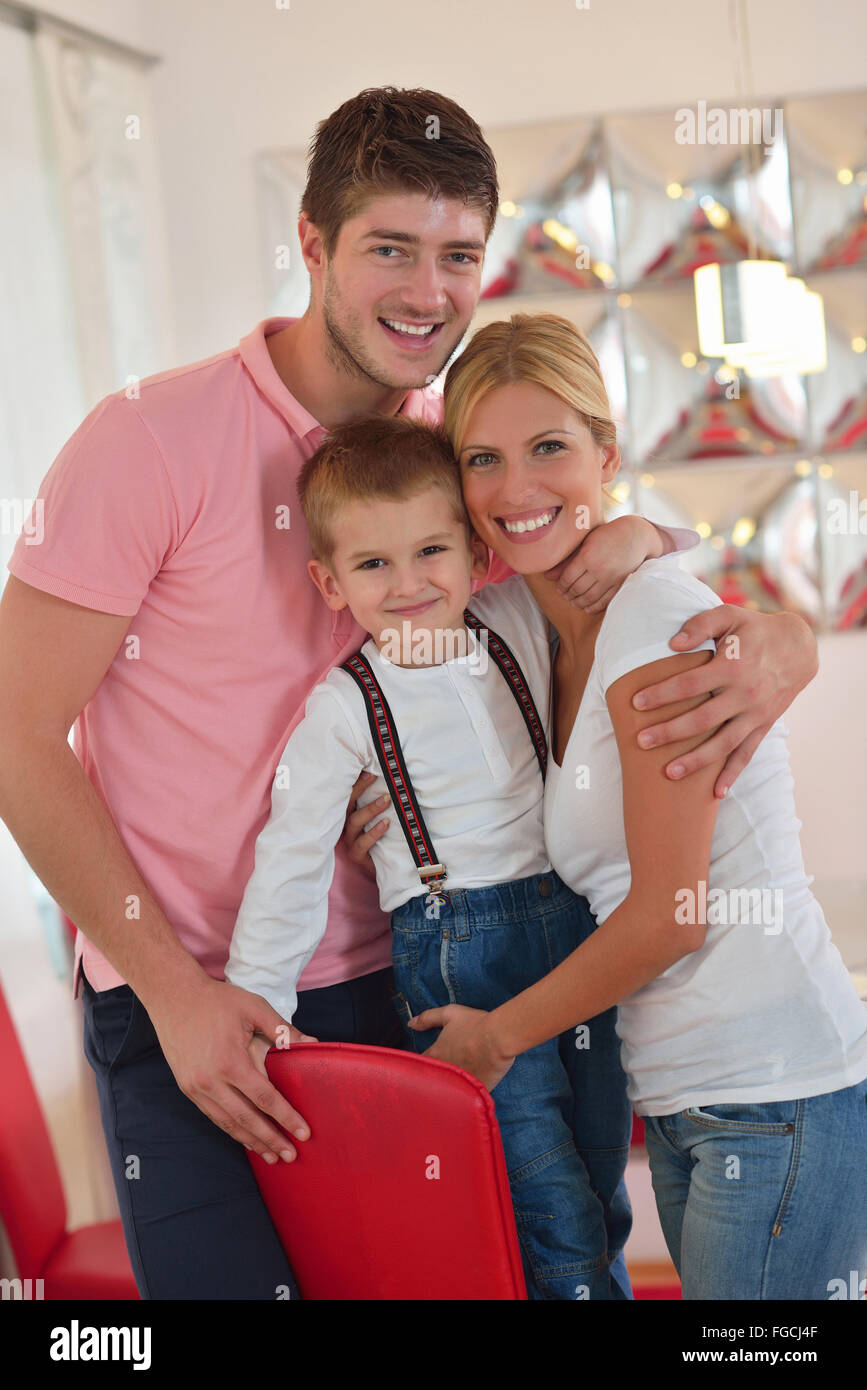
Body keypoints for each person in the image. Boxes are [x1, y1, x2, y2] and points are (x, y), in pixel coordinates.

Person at [0, 88, 818, 1300]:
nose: (428, 291)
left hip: (421, 985)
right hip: (190, 1008)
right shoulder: (148, 441)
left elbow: (600, 604)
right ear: (315, 242)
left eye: (458, 256)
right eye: (391, 247)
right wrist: (175, 996)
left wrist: (784, 641)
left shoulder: (462, 457)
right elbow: (15, 734)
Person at [400, 312, 867, 1301]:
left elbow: (671, 914)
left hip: (774, 1088)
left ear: (606, 453)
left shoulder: (653, 616)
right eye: (484, 458)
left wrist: (493, 1036)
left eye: (550, 449)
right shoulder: (527, 621)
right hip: (695, 1097)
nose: (516, 489)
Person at [226, 411, 683, 1299]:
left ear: (477, 559)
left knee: (598, 1174)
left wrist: (639, 533)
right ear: (328, 582)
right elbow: (290, 858)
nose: (406, 585)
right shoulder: (342, 705)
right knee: (539, 1194)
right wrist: (261, 1005)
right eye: (371, 564)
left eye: (430, 552)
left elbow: (620, 559)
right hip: (455, 953)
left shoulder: (512, 619)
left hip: (573, 933)